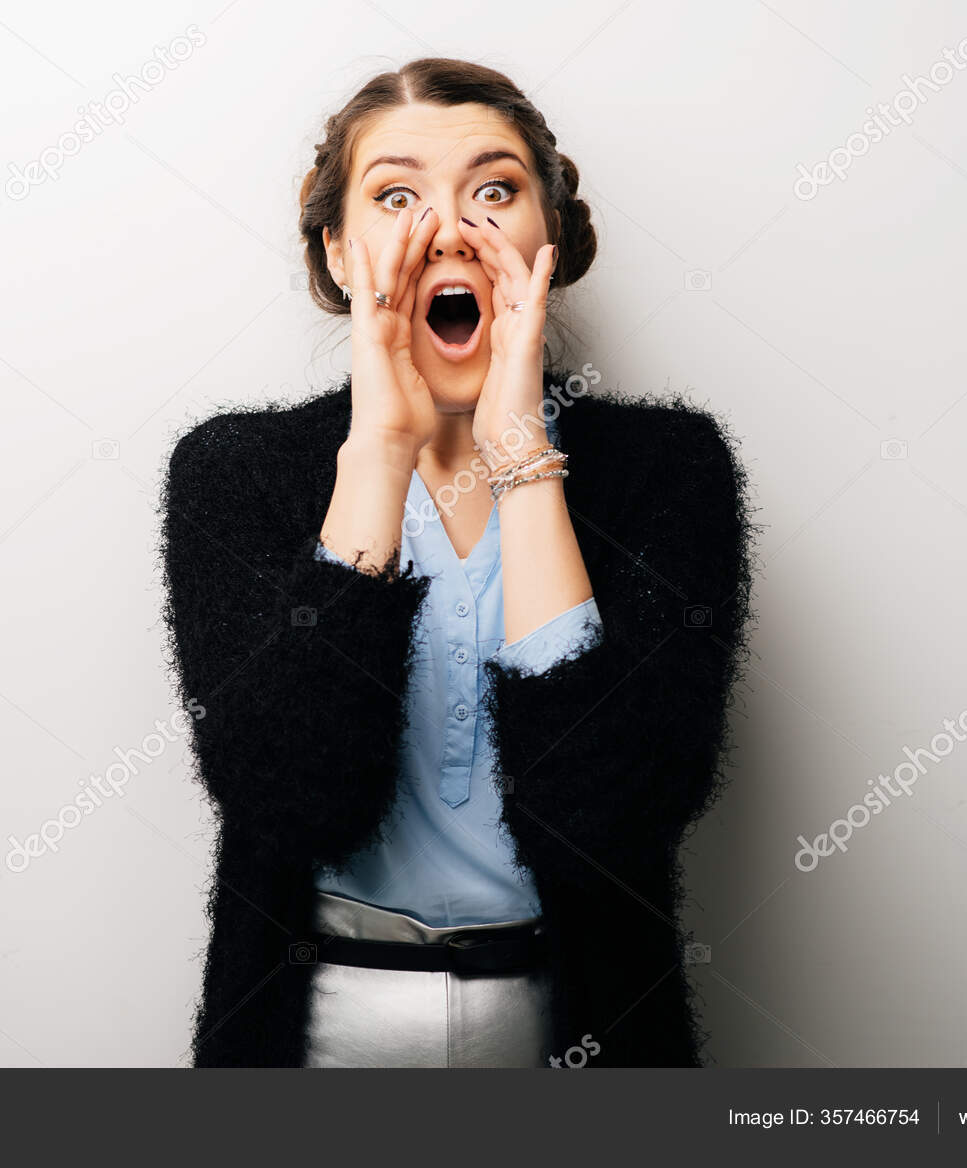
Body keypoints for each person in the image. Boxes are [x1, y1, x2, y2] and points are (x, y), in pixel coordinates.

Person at [159, 57, 753, 1067]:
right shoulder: (236, 472)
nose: (448, 230)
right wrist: (379, 455)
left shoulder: (668, 470)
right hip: (313, 1027)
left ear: (546, 241)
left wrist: (523, 459)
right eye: (396, 195)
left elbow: (609, 822)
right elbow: (289, 795)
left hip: (578, 1027)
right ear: (341, 253)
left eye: (494, 191)